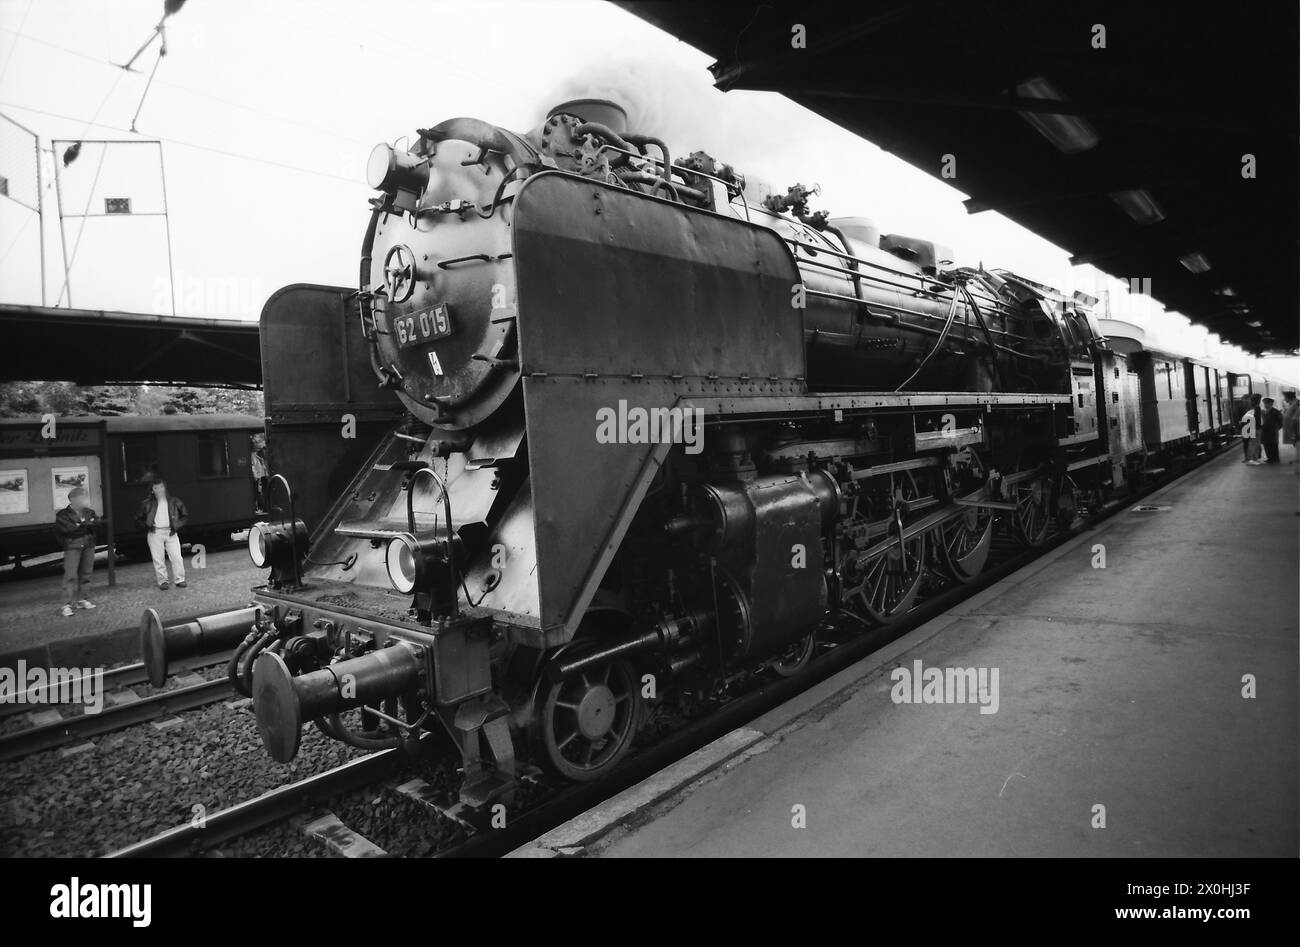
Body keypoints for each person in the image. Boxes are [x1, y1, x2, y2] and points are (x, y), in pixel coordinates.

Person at [136, 478, 189, 590]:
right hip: (155, 532)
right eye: (156, 488)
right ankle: (163, 581)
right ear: (152, 490)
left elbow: (185, 515)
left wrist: (176, 526)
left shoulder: (174, 501)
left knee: (177, 557)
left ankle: (180, 579)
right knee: (158, 559)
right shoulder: (146, 504)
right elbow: (138, 519)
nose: (159, 489)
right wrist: (147, 526)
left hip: (171, 532)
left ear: (165, 488)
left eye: (161, 487)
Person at [54, 486, 98, 617]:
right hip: (72, 546)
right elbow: (68, 530)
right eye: (82, 497)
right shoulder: (63, 514)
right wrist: (86, 526)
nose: (85, 500)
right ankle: (66, 604)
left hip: (88, 545)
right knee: (70, 575)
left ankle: (82, 599)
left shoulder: (89, 512)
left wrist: (81, 526)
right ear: (73, 499)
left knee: (86, 573)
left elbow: (96, 525)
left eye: (85, 497)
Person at [1259, 397, 1283, 465]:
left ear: (1271, 404)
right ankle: (1270, 458)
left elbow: (1281, 421)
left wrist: (1277, 428)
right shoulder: (1262, 412)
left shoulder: (1276, 412)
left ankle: (1276, 459)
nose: (1265, 405)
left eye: (1267, 403)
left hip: (1273, 432)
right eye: (1264, 403)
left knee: (1274, 445)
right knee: (1266, 445)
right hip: (1264, 432)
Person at [1241, 393, 1263, 465]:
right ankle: (1251, 460)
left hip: (1256, 428)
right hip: (1255, 428)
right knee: (1253, 445)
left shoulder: (1255, 408)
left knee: (1255, 444)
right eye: (1259, 399)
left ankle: (1255, 459)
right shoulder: (1255, 408)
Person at [1282, 391, 1300, 472]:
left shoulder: (1297, 404)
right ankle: (1296, 459)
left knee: (1297, 445)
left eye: (1285, 397)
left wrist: (1294, 431)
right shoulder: (1293, 404)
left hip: (1295, 430)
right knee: (1296, 445)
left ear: (1289, 397)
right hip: (1292, 429)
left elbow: (1296, 418)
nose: (1284, 398)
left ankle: (1297, 461)